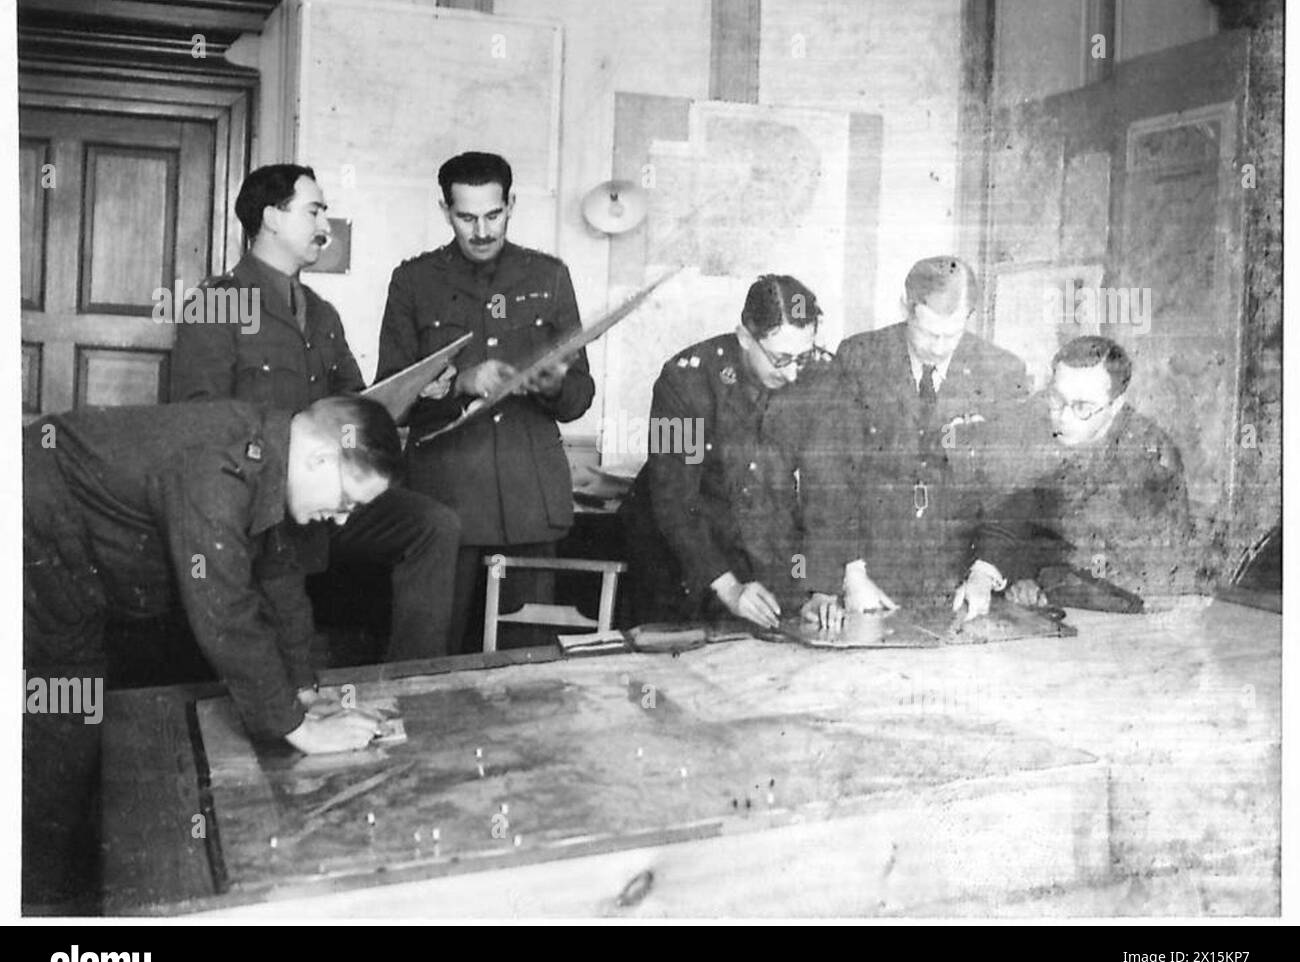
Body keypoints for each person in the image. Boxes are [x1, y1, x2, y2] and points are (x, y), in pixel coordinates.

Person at [23, 396, 399, 910]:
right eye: (347, 501)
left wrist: (303, 692)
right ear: (318, 458)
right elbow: (224, 606)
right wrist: (300, 730)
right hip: (35, 533)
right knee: (61, 727)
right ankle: (37, 901)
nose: (340, 521)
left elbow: (279, 579)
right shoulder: (219, 465)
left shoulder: (269, 456)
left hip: (85, 564)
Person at [170, 163, 460, 661]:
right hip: (263, 507)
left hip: (331, 505)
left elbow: (357, 405)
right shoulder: (216, 303)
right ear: (272, 218)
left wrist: (418, 393)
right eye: (314, 211)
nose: (325, 226)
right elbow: (201, 423)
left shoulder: (322, 313)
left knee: (433, 523)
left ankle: (413, 678)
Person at [376, 152, 595, 651]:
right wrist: (459, 383)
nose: (481, 231)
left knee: (526, 660)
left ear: (511, 204)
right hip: (442, 504)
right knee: (427, 654)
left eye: (493, 215)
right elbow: (389, 397)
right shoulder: (413, 281)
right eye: (466, 217)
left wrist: (553, 384)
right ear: (444, 209)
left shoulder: (550, 277)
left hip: (528, 505)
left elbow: (580, 395)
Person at [799, 256, 1029, 626]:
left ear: (969, 316)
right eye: (927, 333)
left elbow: (1011, 488)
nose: (939, 348)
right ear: (906, 308)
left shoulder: (1002, 372)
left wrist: (985, 572)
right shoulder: (859, 359)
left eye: (951, 335)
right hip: (872, 574)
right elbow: (829, 476)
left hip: (961, 581)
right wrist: (851, 572)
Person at [619, 274, 828, 628]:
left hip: (763, 559)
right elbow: (674, 500)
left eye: (802, 357)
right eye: (781, 359)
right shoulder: (684, 381)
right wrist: (729, 588)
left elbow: (826, 491)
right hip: (682, 565)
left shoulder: (820, 376)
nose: (793, 374)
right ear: (745, 336)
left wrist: (818, 588)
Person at [953, 336, 1193, 618]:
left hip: (1120, 614)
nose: (1062, 417)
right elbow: (1009, 508)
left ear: (1115, 407)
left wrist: (1043, 582)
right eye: (1057, 399)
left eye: (1082, 407)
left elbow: (1144, 576)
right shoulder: (1036, 417)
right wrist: (985, 572)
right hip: (1049, 603)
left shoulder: (1151, 459)